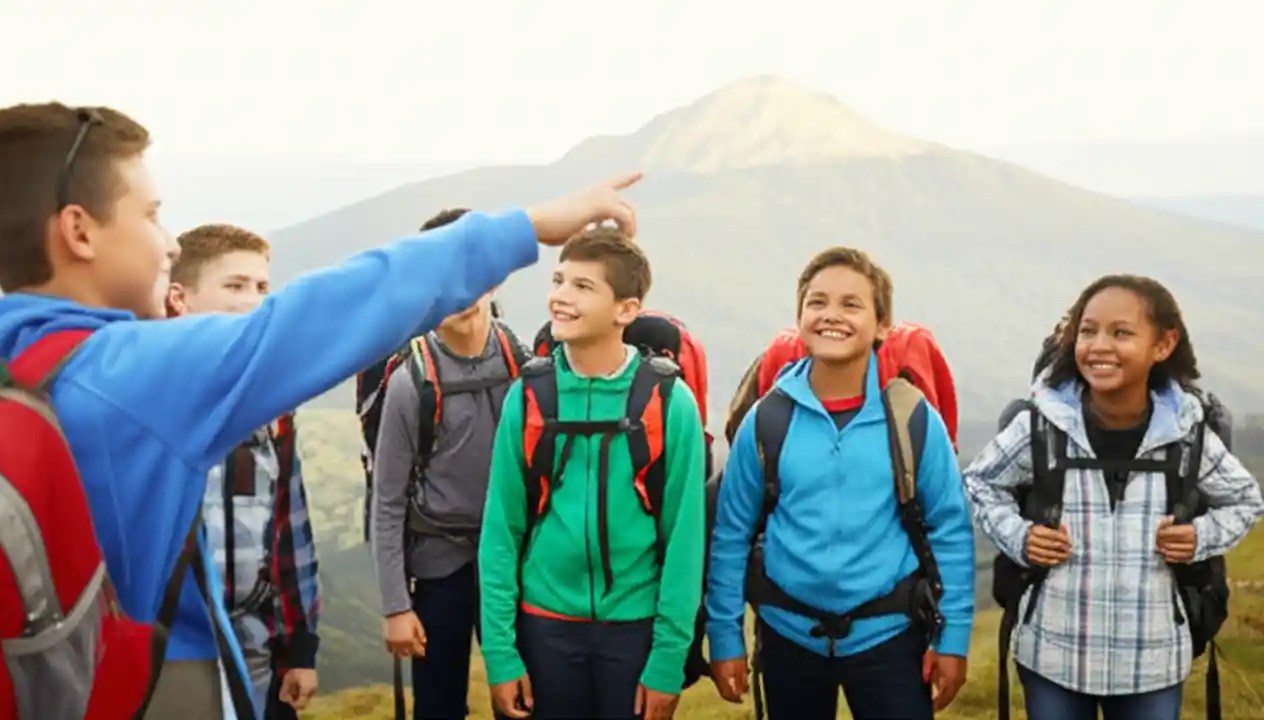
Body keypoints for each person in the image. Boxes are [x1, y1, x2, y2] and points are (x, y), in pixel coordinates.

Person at [0, 100, 642, 719]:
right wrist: (523, 228)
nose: (170, 243)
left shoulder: (5, 368)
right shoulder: (128, 376)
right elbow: (319, 316)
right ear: (79, 231)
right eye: (152, 214)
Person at [964, 274, 1264, 720]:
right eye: (1087, 331)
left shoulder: (1187, 434)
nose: (1099, 346)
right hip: (1052, 654)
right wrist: (1020, 537)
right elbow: (980, 482)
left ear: (1163, 344)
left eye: (1121, 332)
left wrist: (1199, 537)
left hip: (1153, 660)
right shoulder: (1042, 427)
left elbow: (1245, 501)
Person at [704, 247, 974, 720]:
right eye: (818, 302)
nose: (832, 315)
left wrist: (952, 638)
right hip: (788, 634)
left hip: (892, 634)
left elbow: (949, 530)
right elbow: (730, 535)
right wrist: (725, 637)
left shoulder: (912, 419)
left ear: (882, 326)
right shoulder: (767, 420)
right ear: (799, 317)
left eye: (852, 304)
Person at [477, 226, 707, 720]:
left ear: (626, 309)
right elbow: (501, 530)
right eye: (558, 280)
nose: (561, 296)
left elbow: (684, 541)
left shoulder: (668, 402)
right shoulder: (530, 396)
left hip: (635, 628)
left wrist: (668, 662)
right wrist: (500, 653)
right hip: (543, 626)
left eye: (583, 286)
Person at [371, 209, 531, 720]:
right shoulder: (411, 382)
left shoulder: (524, 365)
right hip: (439, 566)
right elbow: (388, 500)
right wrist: (396, 606)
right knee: (438, 706)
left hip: (514, 559)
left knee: (525, 700)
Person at [165, 223, 322, 719]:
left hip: (255, 641)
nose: (253, 300)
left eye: (261, 286)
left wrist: (300, 649)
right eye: (234, 285)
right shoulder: (154, 397)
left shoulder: (272, 406)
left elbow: (289, 528)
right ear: (179, 298)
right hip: (172, 646)